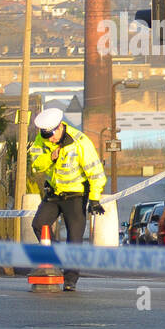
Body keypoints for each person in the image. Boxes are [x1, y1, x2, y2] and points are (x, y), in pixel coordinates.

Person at [29, 108, 106, 292]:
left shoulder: (80, 142)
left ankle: (70, 280)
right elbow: (36, 165)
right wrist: (50, 157)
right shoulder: (41, 140)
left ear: (59, 127)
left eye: (51, 135)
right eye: (45, 136)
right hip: (54, 194)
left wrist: (94, 199)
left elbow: (96, 173)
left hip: (76, 196)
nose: (49, 139)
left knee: (75, 239)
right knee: (38, 224)